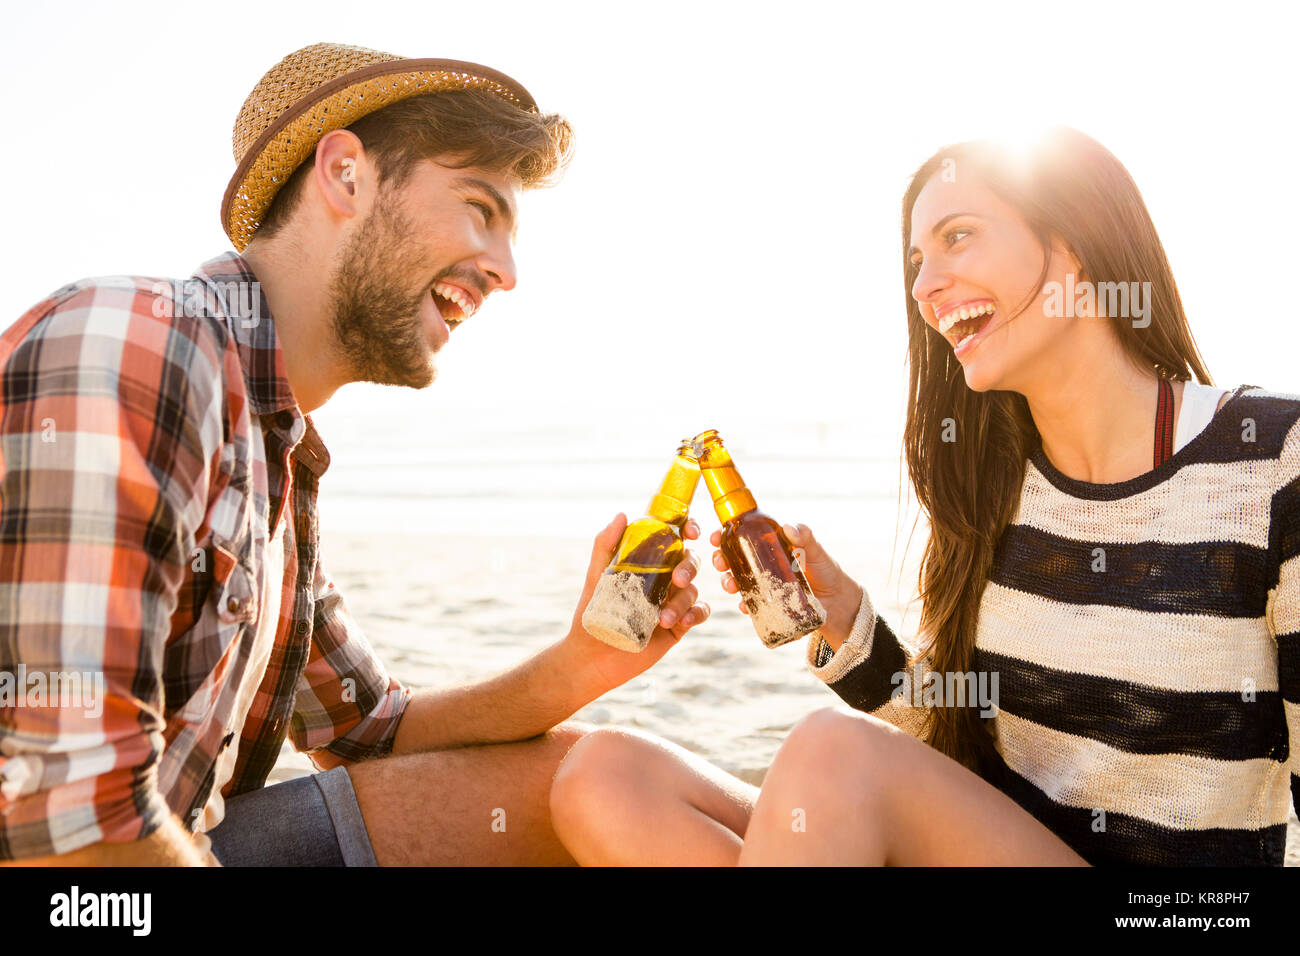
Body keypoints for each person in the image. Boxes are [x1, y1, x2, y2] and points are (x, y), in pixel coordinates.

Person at [0, 42, 724, 866]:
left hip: (175, 847)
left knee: (598, 773)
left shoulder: (278, 450)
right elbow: (70, 829)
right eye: (480, 208)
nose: (508, 272)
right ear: (346, 174)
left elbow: (367, 727)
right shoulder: (141, 347)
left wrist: (583, 661)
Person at [549, 127, 1300, 866]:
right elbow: (962, 756)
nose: (923, 285)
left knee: (832, 756)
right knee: (606, 777)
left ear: (1074, 244)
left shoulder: (1272, 461)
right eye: (916, 259)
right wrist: (846, 628)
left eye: (959, 236)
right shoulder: (995, 482)